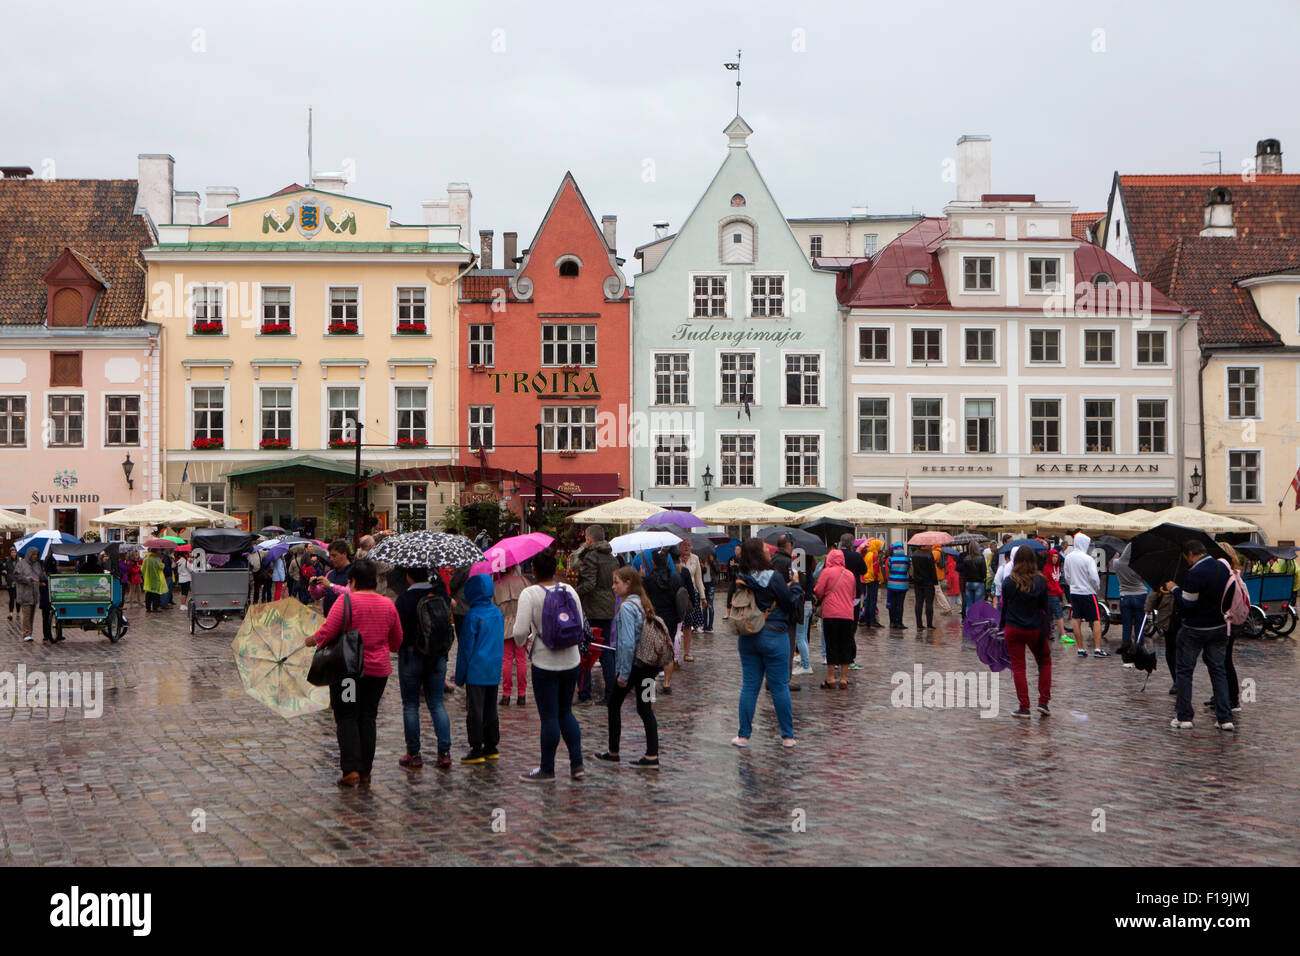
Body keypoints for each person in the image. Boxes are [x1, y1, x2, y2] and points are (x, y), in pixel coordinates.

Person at [304, 559, 403, 787]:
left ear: (354, 581)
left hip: (349, 674)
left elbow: (328, 631)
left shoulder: (346, 600)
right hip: (377, 672)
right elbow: (397, 641)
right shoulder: (388, 605)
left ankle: (350, 770)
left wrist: (312, 640)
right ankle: (365, 770)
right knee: (368, 717)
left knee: (347, 716)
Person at [513, 550, 585, 782]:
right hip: (571, 659)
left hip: (545, 661)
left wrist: (525, 643)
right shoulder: (569, 590)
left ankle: (547, 768)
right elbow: (581, 622)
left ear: (533, 571)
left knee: (549, 717)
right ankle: (577, 765)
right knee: (566, 712)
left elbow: (520, 631)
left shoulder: (529, 594)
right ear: (555, 569)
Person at [732, 538, 799, 748]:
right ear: (759, 554)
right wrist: (795, 586)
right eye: (765, 550)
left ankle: (743, 735)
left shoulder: (741, 577)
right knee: (779, 687)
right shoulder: (774, 577)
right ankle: (787, 736)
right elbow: (789, 604)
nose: (769, 552)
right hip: (774, 635)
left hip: (748, 635)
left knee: (750, 686)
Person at [1166, 540, 1235, 731]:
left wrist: (1174, 588)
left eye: (1186, 557)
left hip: (1195, 629)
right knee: (1218, 671)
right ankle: (1224, 718)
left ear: (1189, 553)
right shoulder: (1222, 567)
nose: (1186, 561)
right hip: (1220, 626)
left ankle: (1184, 716)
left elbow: (1188, 603)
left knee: (1185, 671)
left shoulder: (1195, 572)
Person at [595, 566, 660, 767]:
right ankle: (652, 754)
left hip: (634, 667)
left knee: (614, 704)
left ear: (628, 583)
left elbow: (626, 643)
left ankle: (613, 751)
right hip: (651, 666)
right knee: (646, 708)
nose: (613, 587)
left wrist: (623, 674)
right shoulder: (644, 603)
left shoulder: (626, 608)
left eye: (616, 582)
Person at [393, 567, 453, 770]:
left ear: (409, 575)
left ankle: (414, 753)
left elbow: (398, 631)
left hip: (411, 656)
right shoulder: (440, 594)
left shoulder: (404, 600)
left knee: (410, 705)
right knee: (437, 703)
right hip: (436, 655)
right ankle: (444, 752)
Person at [453, 573, 505, 764]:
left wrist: (460, 676)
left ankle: (476, 747)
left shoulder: (472, 615)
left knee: (475, 710)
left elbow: (466, 649)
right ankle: (492, 745)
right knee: (491, 709)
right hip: (493, 668)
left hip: (476, 670)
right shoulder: (497, 613)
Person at [999, 546, 1052, 718]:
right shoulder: (1041, 581)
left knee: (1019, 667)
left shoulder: (1008, 581)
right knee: (1044, 662)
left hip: (1013, 628)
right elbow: (1046, 608)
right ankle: (1043, 702)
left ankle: (1024, 706)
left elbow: (1005, 608)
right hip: (1035, 628)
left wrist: (1001, 627)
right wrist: (1047, 628)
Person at [574, 524, 617, 703]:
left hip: (592, 608)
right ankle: (611, 693)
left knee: (585, 651)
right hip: (608, 607)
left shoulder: (592, 557)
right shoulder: (612, 557)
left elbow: (589, 584)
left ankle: (585, 693)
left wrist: (574, 592)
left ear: (589, 539)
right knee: (605, 650)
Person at [641, 548, 691, 694]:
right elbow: (681, 597)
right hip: (670, 618)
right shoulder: (676, 579)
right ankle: (667, 683)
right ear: (667, 561)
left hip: (654, 618)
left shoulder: (648, 580)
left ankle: (649, 689)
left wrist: (641, 578)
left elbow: (644, 600)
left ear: (653, 563)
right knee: (668, 650)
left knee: (650, 653)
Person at [813, 547, 857, 689]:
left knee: (831, 644)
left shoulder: (826, 572)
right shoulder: (850, 574)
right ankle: (844, 678)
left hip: (831, 613)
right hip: (847, 614)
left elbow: (818, 591)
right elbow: (853, 595)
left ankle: (831, 678)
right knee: (846, 644)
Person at [1212, 543, 1245, 716]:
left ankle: (1232, 699)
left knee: (1223, 662)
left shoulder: (1224, 576)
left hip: (1225, 623)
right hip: (1235, 623)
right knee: (1224, 661)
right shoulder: (1237, 575)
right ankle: (1221, 696)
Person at [1063, 532, 1107, 658]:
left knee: (1077, 620)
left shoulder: (1068, 557)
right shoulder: (1088, 559)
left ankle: (1080, 648)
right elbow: (1094, 578)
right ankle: (1098, 648)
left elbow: (1067, 576)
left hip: (1075, 592)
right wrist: (1096, 588)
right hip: (1088, 592)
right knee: (1096, 620)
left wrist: (1073, 585)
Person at [770, 535, 805, 689]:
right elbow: (788, 587)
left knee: (774, 648)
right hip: (786, 610)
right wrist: (796, 581)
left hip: (772, 611)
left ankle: (772, 679)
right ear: (789, 545)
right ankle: (784, 680)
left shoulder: (772, 560)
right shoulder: (786, 562)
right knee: (788, 647)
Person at [496, 563, 529, 706]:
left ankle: (506, 694)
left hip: (505, 625)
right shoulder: (523, 581)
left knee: (507, 660)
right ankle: (522, 693)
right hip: (522, 624)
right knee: (521, 660)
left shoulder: (497, 586)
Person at [1111, 543, 1149, 655]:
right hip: (1140, 594)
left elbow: (1114, 559)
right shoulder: (1140, 564)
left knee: (1126, 625)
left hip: (1125, 595)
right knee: (1139, 625)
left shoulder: (1117, 564)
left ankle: (1126, 650)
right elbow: (1144, 579)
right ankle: (1140, 648)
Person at [676, 537, 706, 666]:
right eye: (684, 545)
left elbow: (698, 579)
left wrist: (703, 596)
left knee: (688, 625)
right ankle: (674, 652)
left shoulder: (695, 559)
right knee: (676, 625)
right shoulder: (674, 559)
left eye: (688, 545)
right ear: (679, 547)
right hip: (677, 593)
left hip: (691, 593)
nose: (686, 547)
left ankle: (686, 652)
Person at [309, 540, 352, 616]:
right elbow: (319, 594)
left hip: (346, 619)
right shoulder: (331, 573)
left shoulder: (354, 571)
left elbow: (350, 593)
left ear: (344, 554)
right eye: (330, 556)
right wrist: (313, 587)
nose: (331, 559)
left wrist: (330, 585)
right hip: (329, 616)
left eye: (334, 556)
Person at [14, 548, 45, 643]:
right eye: (34, 554)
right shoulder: (21, 564)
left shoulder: (37, 565)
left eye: (36, 554)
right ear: (29, 554)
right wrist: (27, 579)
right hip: (25, 593)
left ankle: (29, 633)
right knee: (27, 615)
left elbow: (40, 575)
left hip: (34, 593)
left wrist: (42, 580)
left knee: (31, 615)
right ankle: (26, 633)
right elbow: (16, 576)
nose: (35, 556)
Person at [910, 545, 938, 629]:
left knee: (918, 603)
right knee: (929, 603)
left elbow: (914, 568)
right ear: (926, 545)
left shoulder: (914, 554)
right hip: (928, 582)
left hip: (918, 582)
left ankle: (919, 624)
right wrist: (935, 581)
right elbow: (932, 570)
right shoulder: (929, 555)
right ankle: (929, 624)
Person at [1043, 549, 1067, 641]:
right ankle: (1063, 635)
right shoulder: (1046, 568)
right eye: (1053, 556)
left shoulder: (1057, 568)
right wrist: (1055, 589)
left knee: (1049, 615)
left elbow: (1056, 581)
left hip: (1056, 594)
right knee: (1059, 614)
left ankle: (1048, 633)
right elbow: (1047, 582)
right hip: (1051, 594)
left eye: (1057, 557)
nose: (1055, 559)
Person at [859, 540, 883, 627]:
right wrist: (878, 578)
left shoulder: (867, 554)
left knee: (868, 600)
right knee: (873, 600)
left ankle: (867, 619)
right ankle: (872, 620)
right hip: (872, 580)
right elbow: (875, 569)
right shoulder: (874, 555)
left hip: (867, 579)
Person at [885, 543, 910, 629]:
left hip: (892, 584)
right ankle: (899, 622)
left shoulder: (891, 559)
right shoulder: (906, 559)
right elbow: (908, 568)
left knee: (893, 604)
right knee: (900, 604)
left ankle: (892, 622)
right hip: (902, 585)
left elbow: (889, 568)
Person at [959, 542, 985, 618]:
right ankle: (976, 620)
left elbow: (964, 573)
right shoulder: (981, 558)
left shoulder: (966, 559)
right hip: (979, 583)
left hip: (969, 583)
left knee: (969, 605)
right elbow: (984, 573)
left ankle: (969, 621)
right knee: (977, 605)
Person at [701, 552, 718, 632]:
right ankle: (704, 625)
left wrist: (712, 562)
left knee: (710, 605)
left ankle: (710, 626)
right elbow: (701, 573)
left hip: (711, 583)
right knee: (704, 606)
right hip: (703, 584)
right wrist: (702, 567)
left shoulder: (714, 558)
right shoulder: (701, 559)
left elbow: (718, 570)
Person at [3, 546, 16, 620]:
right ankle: (11, 613)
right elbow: (5, 571)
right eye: (12, 552)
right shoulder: (7, 562)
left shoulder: (19, 561)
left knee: (17, 599)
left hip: (17, 582)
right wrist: (5, 573)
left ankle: (17, 612)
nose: (13, 554)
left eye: (14, 552)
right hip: (10, 582)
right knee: (11, 598)